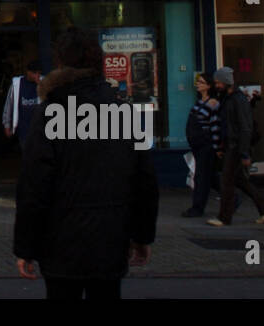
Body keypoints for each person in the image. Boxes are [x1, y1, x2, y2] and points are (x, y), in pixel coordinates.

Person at [14, 27, 158, 300]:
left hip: (60, 242)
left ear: (60, 62)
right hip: (110, 240)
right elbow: (144, 180)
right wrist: (142, 236)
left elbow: (34, 184)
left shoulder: (51, 112)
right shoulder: (120, 110)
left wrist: (26, 247)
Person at [209, 66, 264, 226]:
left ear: (226, 82)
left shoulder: (238, 100)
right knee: (239, 181)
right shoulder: (227, 99)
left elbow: (245, 127)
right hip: (230, 145)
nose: (216, 85)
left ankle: (224, 218)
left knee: (226, 182)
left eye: (218, 82)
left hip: (236, 146)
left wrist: (244, 153)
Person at [182, 72, 221, 217]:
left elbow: (215, 126)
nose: (198, 84)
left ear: (209, 86)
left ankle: (197, 208)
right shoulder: (199, 101)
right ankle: (233, 198)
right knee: (210, 177)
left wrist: (216, 147)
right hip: (197, 145)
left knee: (200, 177)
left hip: (206, 145)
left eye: (202, 82)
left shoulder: (213, 103)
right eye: (198, 82)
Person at [2, 60, 43, 157]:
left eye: (38, 73)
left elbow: (50, 101)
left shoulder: (44, 82)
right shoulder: (17, 84)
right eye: (34, 73)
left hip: (39, 129)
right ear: (28, 72)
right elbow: (9, 104)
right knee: (28, 155)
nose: (36, 75)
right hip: (24, 128)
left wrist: (41, 85)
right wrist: (7, 124)